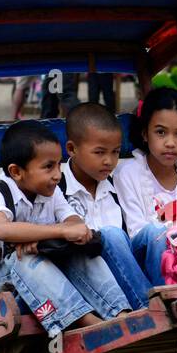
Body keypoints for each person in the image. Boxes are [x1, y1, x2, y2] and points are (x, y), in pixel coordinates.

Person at [0, 121, 132, 336]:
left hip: (46, 261)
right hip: (0, 276)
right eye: (49, 167)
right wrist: (59, 231)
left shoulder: (52, 191)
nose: (58, 174)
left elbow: (75, 223)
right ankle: (85, 320)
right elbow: (3, 229)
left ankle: (119, 312)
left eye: (59, 164)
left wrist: (48, 236)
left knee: (80, 250)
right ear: (17, 172)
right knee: (25, 259)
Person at [112, 87, 177, 286]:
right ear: (144, 133)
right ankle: (167, 296)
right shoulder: (128, 173)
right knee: (153, 233)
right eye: (160, 132)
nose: (170, 143)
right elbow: (137, 231)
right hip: (146, 259)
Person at [61, 103, 150, 310]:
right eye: (99, 152)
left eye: (116, 152)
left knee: (153, 233)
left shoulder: (117, 185)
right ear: (72, 149)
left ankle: (168, 297)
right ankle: (147, 308)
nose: (109, 161)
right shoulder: (56, 188)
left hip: (125, 274)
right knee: (111, 234)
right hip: (85, 280)